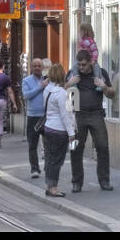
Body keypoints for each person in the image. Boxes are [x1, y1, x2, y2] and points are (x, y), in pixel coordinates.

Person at [66, 50, 115, 192]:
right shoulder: (73, 73)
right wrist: (70, 83)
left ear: (91, 62)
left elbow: (112, 94)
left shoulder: (101, 73)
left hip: (96, 114)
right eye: (79, 64)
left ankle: (104, 181)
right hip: (79, 115)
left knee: (103, 147)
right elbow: (64, 97)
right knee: (75, 148)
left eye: (84, 65)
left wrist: (103, 85)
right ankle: (76, 182)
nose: (81, 68)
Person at [41, 62, 77, 197]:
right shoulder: (62, 93)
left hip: (48, 128)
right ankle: (53, 188)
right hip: (59, 130)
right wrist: (71, 133)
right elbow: (65, 114)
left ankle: (49, 185)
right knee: (57, 160)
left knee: (50, 159)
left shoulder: (47, 89)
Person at [21, 57, 46, 177]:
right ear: (31, 68)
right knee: (32, 145)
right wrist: (40, 87)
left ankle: (49, 167)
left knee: (49, 144)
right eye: (35, 66)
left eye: (39, 66)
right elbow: (26, 95)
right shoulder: (26, 80)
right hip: (33, 116)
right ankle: (35, 169)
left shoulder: (47, 80)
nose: (37, 68)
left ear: (42, 68)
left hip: (46, 116)